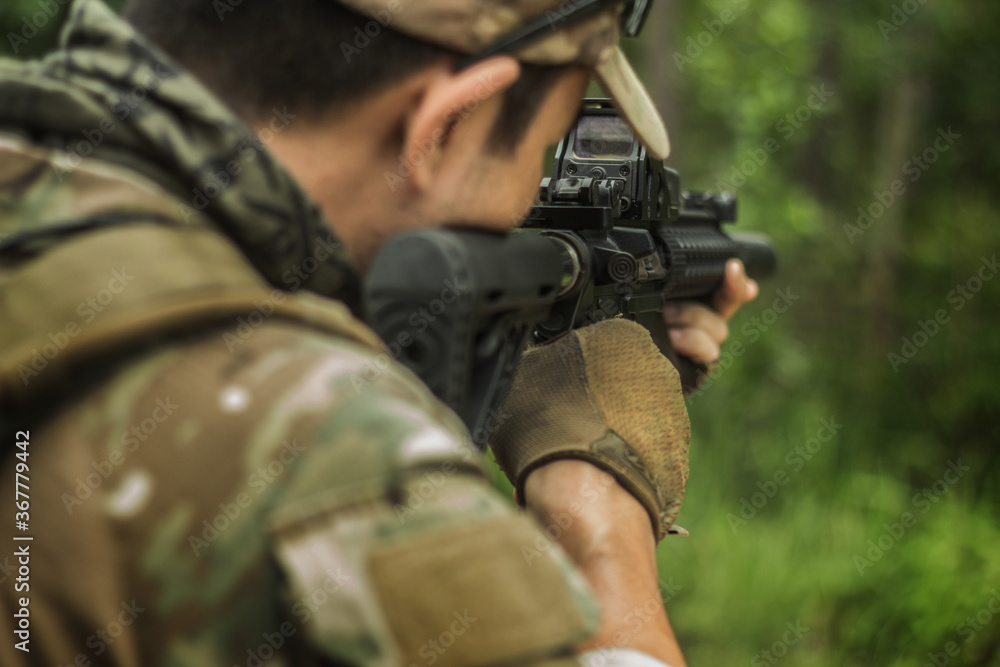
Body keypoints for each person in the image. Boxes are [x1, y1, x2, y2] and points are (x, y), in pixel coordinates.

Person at [0, 0, 757, 665]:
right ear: (443, 123)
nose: (534, 196)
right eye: (542, 154)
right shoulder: (338, 473)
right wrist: (599, 515)